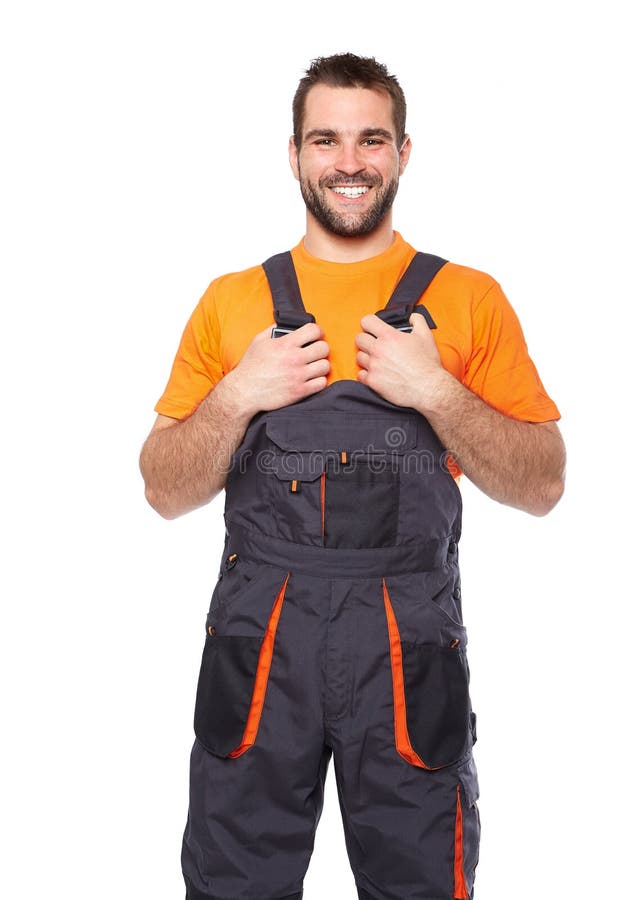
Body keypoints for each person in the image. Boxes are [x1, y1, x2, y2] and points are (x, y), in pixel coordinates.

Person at [140, 53, 565, 900]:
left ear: (403, 152)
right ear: (293, 154)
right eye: (325, 140)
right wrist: (239, 394)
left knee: (420, 884)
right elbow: (162, 489)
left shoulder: (469, 299)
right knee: (233, 883)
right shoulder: (231, 302)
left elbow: (544, 484)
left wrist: (434, 389)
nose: (348, 162)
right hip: (263, 645)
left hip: (405, 651)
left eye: (371, 139)